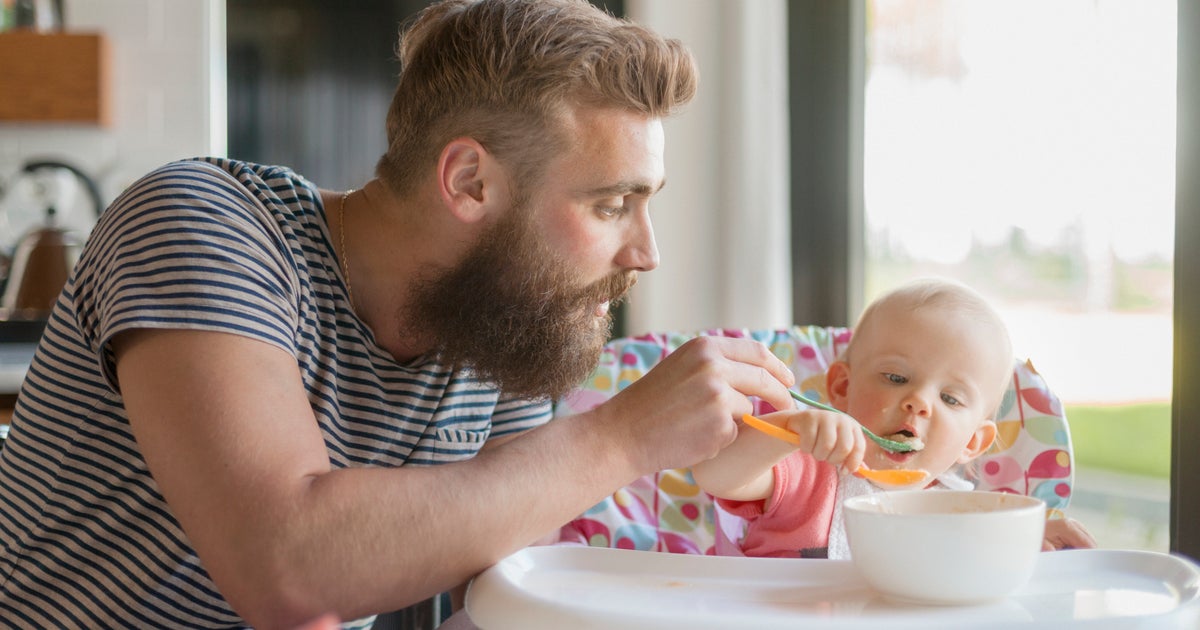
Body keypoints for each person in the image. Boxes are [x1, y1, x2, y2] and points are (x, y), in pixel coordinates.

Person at [0, 1, 800, 628]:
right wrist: (623, 436)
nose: (644, 252)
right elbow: (288, 571)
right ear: (470, 183)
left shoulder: (501, 322)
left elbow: (492, 584)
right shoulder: (202, 223)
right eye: (611, 204)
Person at [692, 278, 1096, 559]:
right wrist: (790, 430)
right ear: (842, 388)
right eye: (897, 378)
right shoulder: (808, 470)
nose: (919, 402)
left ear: (973, 442)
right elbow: (716, 474)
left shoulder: (968, 513)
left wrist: (1022, 539)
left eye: (951, 399)